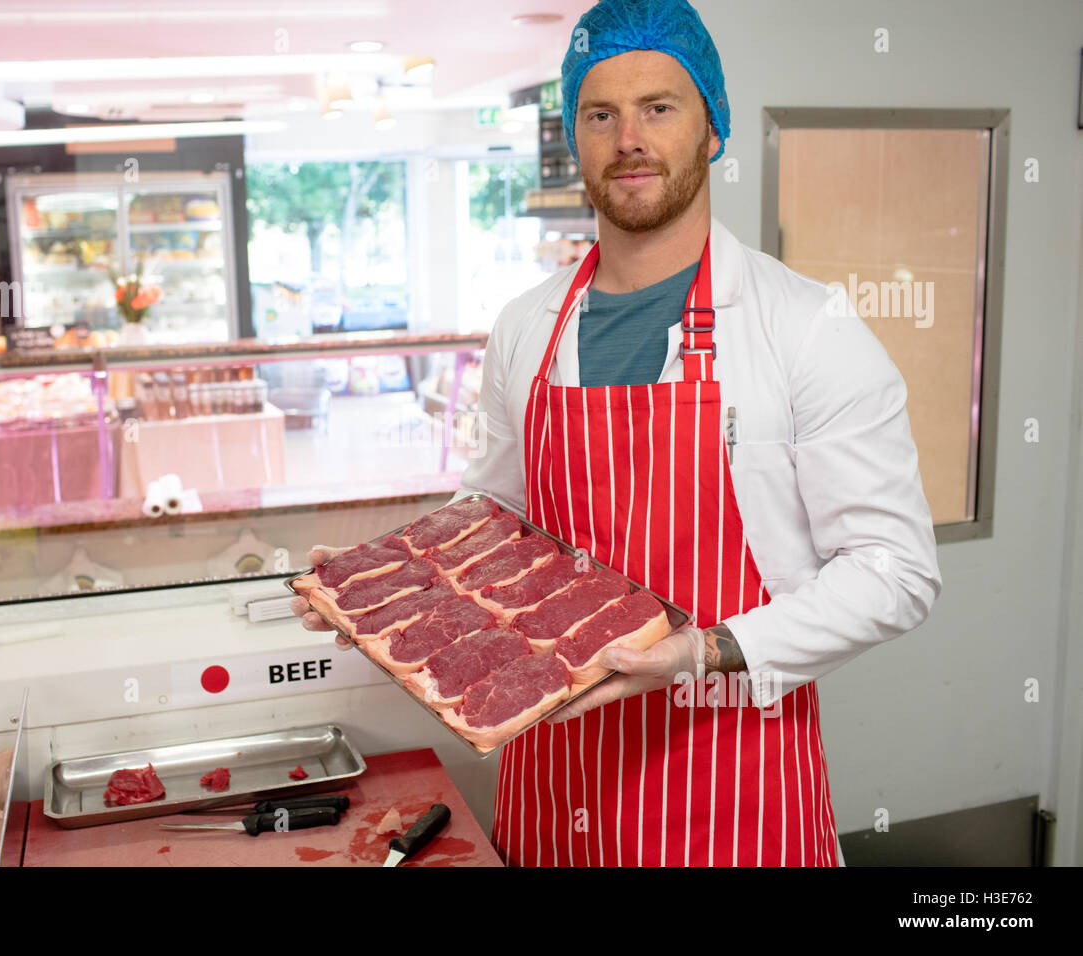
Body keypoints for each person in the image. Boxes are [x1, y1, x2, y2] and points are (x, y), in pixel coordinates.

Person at [293, 0, 941, 867]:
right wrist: (392, 595)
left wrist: (697, 651)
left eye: (659, 108)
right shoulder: (529, 326)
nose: (628, 138)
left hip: (732, 775)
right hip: (552, 772)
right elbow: (493, 510)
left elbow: (895, 572)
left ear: (713, 128)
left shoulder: (805, 328)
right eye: (601, 114)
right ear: (576, 136)